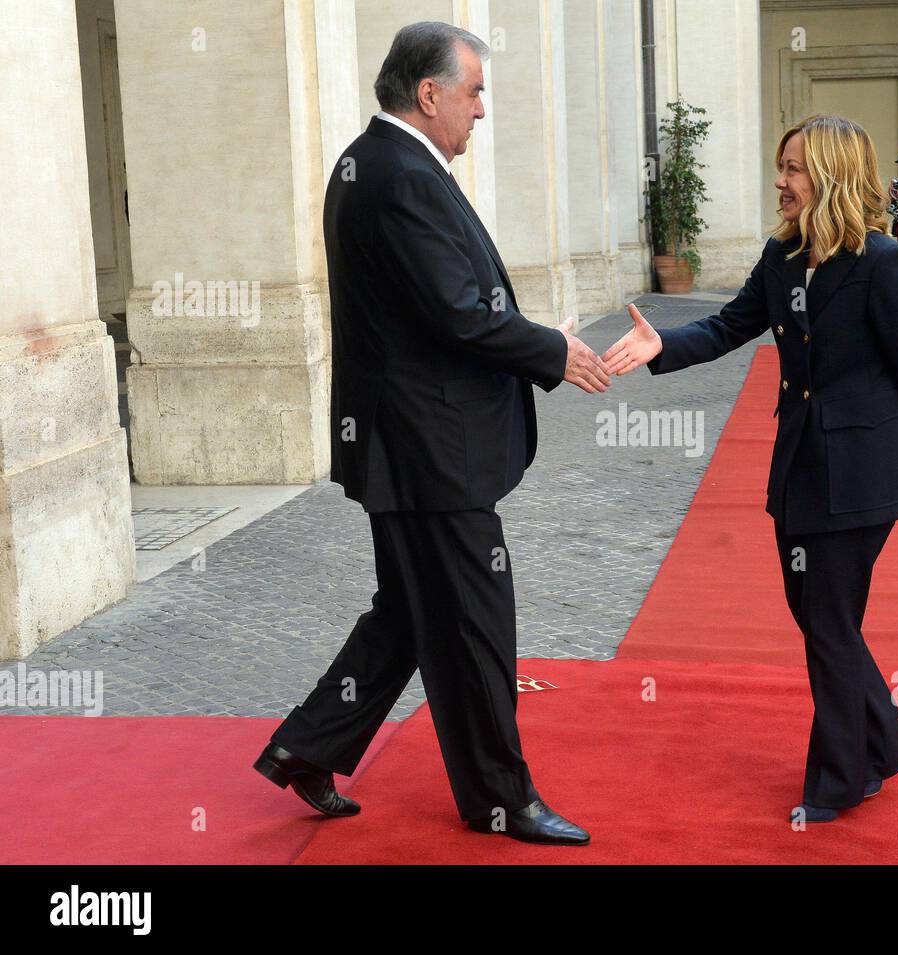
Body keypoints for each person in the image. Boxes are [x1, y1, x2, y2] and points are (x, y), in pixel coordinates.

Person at [253, 22, 608, 846]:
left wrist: (521, 330)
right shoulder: (398, 173)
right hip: (427, 451)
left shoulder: (381, 163)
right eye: (475, 91)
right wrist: (552, 349)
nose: (482, 109)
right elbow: (455, 314)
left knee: (411, 613)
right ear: (430, 93)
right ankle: (502, 798)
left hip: (409, 443)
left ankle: (307, 746)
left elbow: (441, 304)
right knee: (478, 620)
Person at [602, 114, 898, 823]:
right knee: (821, 615)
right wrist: (659, 344)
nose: (781, 181)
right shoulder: (783, 257)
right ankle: (883, 743)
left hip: (862, 477)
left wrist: (892, 446)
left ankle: (840, 779)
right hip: (799, 464)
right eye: (781, 165)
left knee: (827, 620)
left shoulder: (881, 262)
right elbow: (729, 325)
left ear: (831, 175)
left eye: (793, 168)